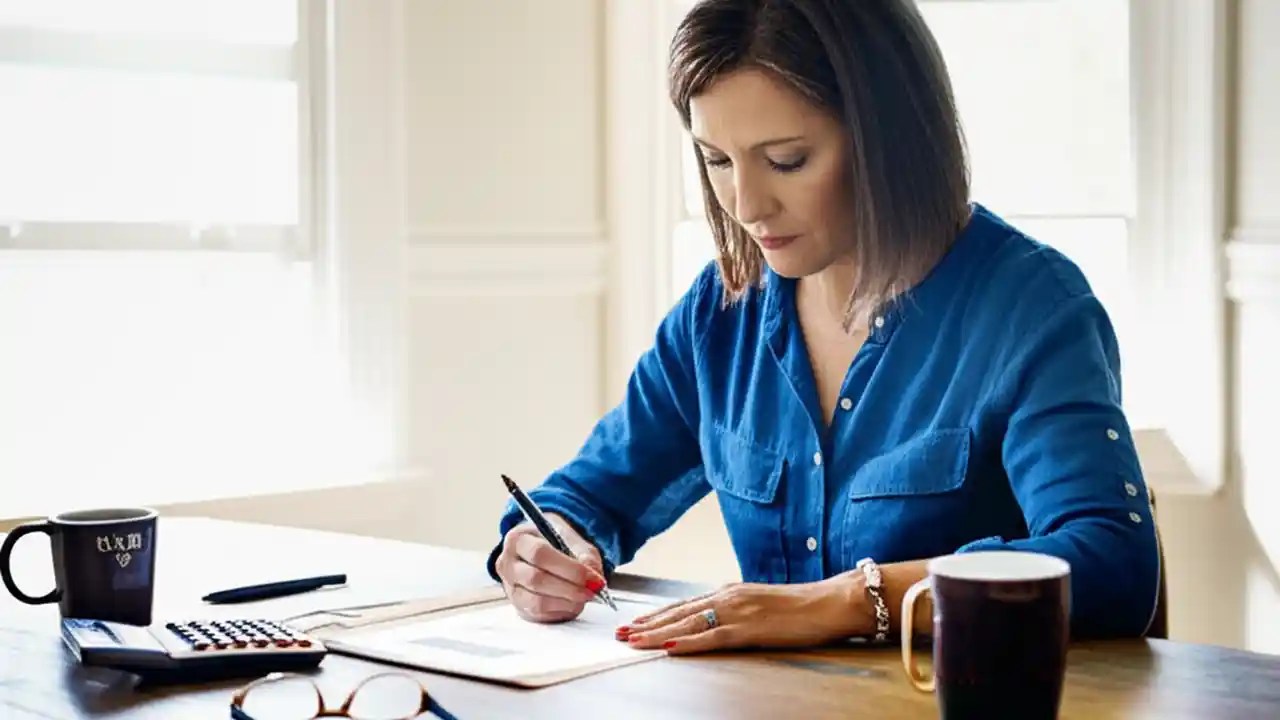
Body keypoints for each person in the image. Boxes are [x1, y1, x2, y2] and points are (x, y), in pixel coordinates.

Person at [487, 0, 1161, 655]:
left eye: (786, 160)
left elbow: (1111, 562)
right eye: (718, 161)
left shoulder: (1031, 308)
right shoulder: (721, 312)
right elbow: (579, 497)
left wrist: (846, 602)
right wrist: (547, 550)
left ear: (889, 139)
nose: (747, 205)